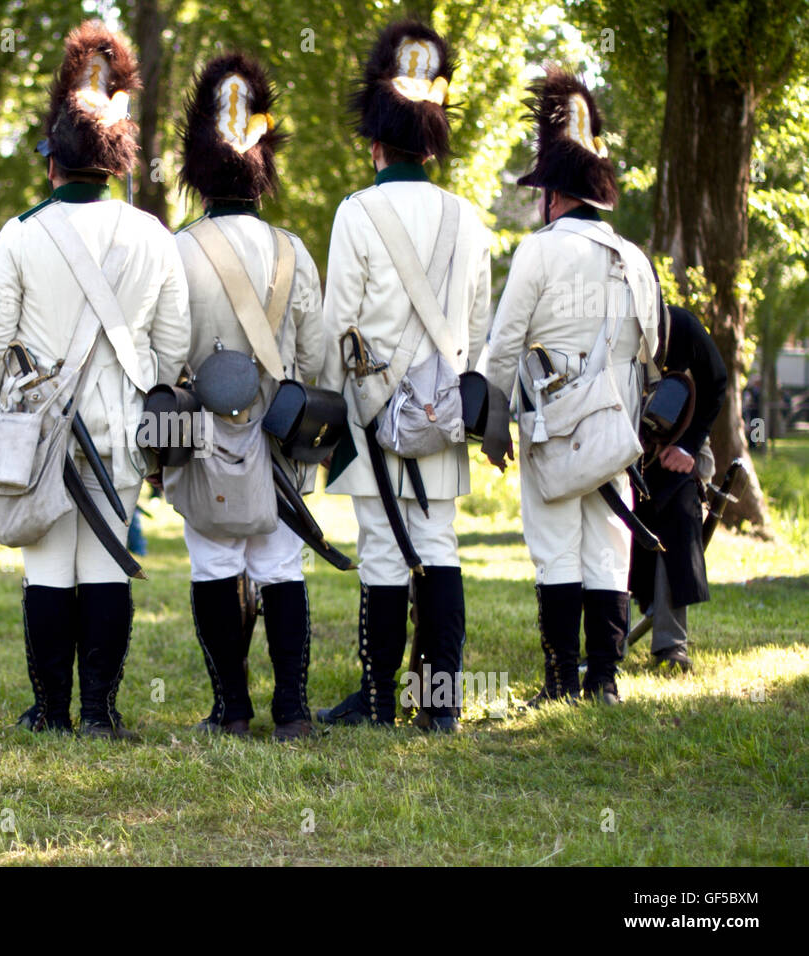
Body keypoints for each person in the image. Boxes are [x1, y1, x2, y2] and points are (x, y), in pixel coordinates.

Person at [0, 20, 189, 739]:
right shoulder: (155, 235)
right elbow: (173, 344)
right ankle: (99, 711)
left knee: (45, 569)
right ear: (116, 160)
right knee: (107, 565)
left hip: (35, 426)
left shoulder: (22, 234)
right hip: (120, 425)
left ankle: (52, 711)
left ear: (54, 160)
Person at [314, 20, 493, 732]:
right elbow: (477, 326)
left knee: (383, 551)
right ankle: (441, 705)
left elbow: (335, 329)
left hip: (372, 406)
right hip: (442, 407)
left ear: (376, 138)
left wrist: (336, 419)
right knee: (440, 546)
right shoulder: (471, 219)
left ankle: (381, 700)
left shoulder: (356, 212)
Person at [482, 67, 660, 705]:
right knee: (610, 552)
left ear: (553, 193)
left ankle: (560, 682)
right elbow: (654, 349)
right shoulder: (635, 260)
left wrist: (493, 422)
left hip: (553, 428)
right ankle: (605, 683)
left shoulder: (539, 251)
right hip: (615, 431)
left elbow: (503, 345)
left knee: (555, 552)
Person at [169, 53, 324, 740]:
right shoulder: (293, 251)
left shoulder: (177, 251)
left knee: (215, 567)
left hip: (205, 439)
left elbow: (165, 355)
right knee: (282, 568)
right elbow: (314, 360)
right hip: (280, 439)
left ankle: (232, 708)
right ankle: (291, 709)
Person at [629, 305, 728, 672]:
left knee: (680, 514)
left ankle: (672, 646)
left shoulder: (683, 327)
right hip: (625, 445)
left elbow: (716, 380)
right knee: (613, 526)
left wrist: (688, 447)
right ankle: (608, 639)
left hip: (682, 442)